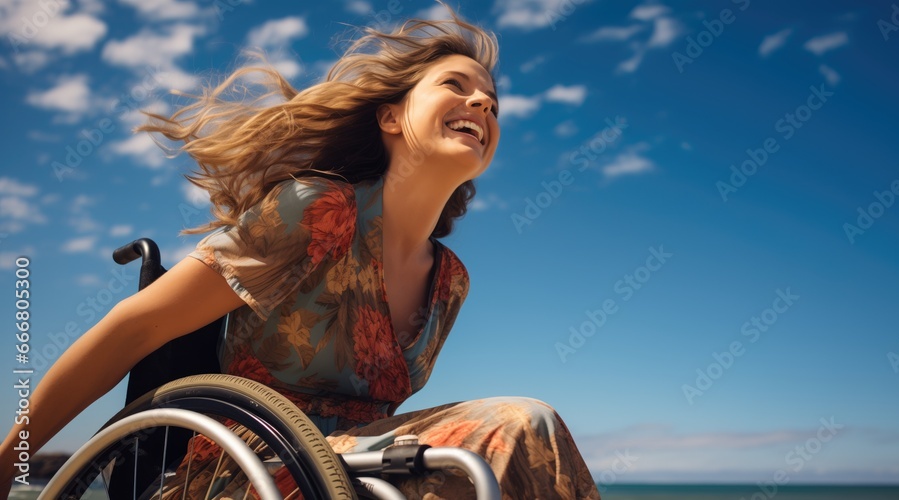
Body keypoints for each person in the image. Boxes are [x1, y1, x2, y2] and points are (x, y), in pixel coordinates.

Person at [0, 4, 600, 499]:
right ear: (391, 117)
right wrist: (9, 464)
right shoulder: (319, 210)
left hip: (364, 470)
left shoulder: (450, 283)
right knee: (524, 427)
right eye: (456, 85)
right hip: (243, 469)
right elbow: (135, 328)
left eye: (492, 100)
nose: (483, 104)